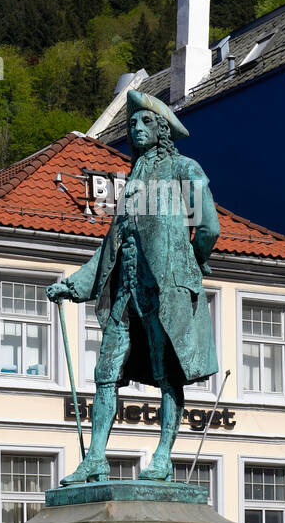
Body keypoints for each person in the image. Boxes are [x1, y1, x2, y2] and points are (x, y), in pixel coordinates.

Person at [47, 91, 219, 483]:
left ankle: (163, 456)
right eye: (132, 125)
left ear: (161, 130)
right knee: (106, 372)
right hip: (124, 294)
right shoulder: (133, 184)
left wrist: (188, 260)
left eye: (145, 123)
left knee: (167, 372)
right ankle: (95, 458)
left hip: (165, 292)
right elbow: (111, 245)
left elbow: (208, 225)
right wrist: (73, 285)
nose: (136, 130)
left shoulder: (183, 169)